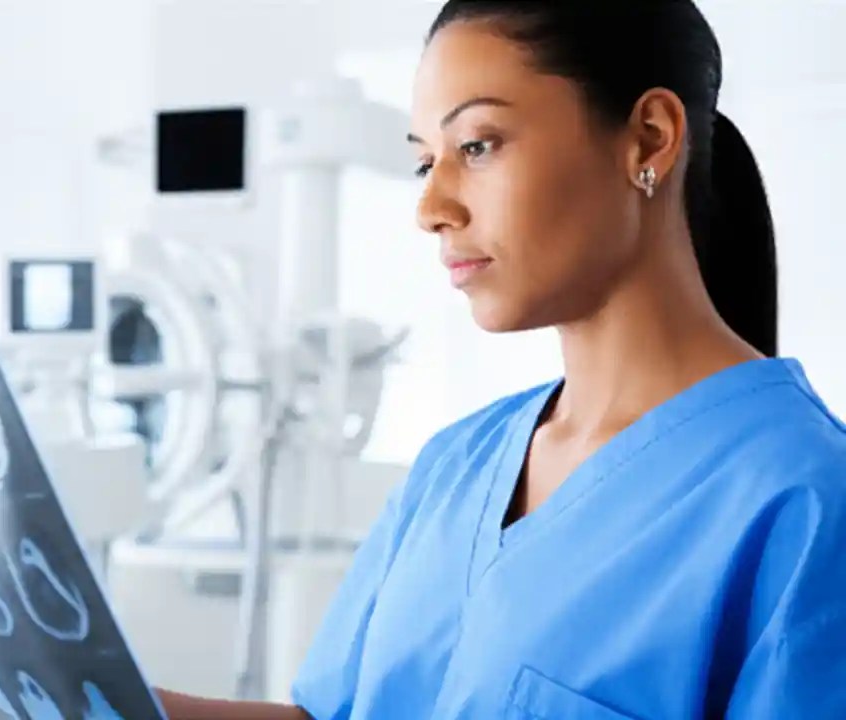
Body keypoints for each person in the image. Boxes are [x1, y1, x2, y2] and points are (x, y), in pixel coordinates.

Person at [155, 1, 846, 718]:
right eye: (426, 160)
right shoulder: (456, 466)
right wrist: (91, 697)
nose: (431, 205)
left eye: (478, 145)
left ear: (648, 138)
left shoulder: (806, 504)